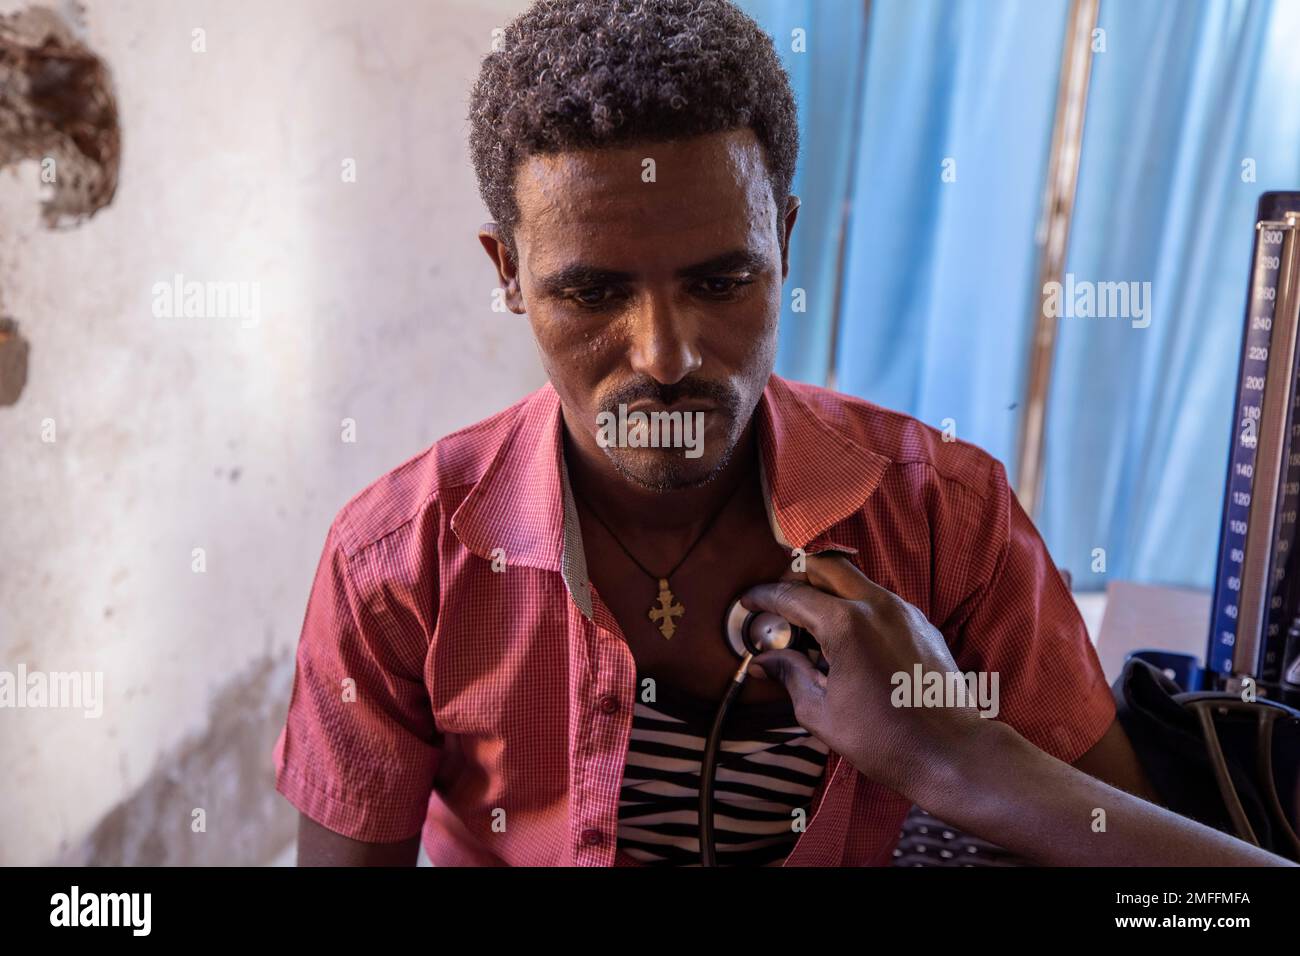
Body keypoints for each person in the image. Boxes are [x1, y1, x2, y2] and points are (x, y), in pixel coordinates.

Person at [273, 0, 1283, 866]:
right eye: (590, 291)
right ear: (506, 273)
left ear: (785, 241)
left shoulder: (944, 519)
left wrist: (953, 755)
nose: (665, 353)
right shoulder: (397, 565)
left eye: (721, 280)